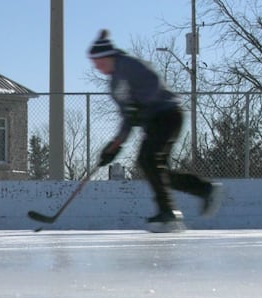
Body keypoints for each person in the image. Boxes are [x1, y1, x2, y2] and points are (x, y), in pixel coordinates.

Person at [88, 29, 222, 232]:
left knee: (148, 160)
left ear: (106, 56)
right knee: (157, 169)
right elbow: (127, 116)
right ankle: (204, 189)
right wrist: (114, 146)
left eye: (97, 62)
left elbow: (153, 83)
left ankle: (168, 213)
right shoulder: (115, 83)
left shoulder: (130, 65)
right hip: (155, 121)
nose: (96, 67)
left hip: (168, 115)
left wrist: (140, 106)